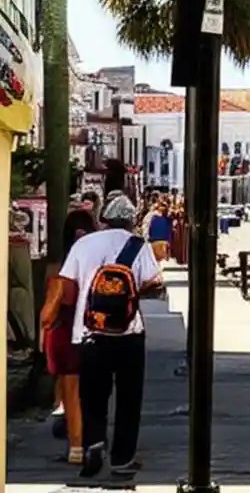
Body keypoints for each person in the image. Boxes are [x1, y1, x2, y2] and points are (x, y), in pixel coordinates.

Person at [57, 192, 163, 478]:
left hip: (90, 331)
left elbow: (66, 293)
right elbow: (154, 284)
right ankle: (122, 459)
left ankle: (93, 443)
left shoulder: (83, 244)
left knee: (92, 395)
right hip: (129, 332)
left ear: (103, 219)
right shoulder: (139, 246)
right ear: (131, 221)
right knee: (129, 398)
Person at [39, 208, 97, 464]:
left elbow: (49, 312)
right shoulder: (96, 266)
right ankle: (93, 440)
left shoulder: (58, 268)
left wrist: (43, 328)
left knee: (70, 391)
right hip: (94, 331)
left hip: (63, 333)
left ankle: (75, 447)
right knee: (92, 392)